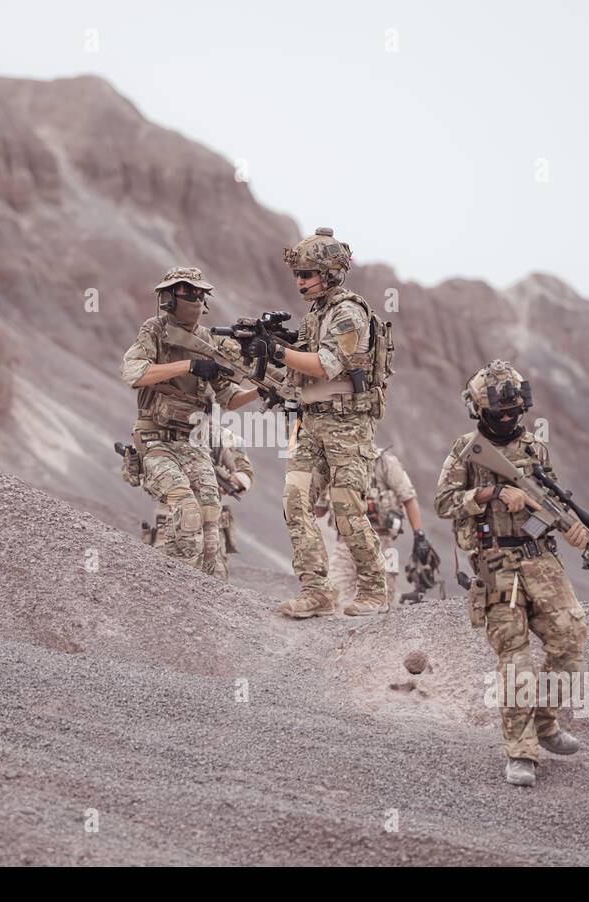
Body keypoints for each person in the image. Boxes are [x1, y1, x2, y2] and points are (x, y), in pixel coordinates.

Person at [434, 360, 589, 787]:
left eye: (514, 413)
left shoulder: (536, 450)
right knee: (515, 658)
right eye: (498, 415)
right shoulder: (466, 450)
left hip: (541, 559)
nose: (507, 420)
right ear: (479, 412)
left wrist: (572, 527)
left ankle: (545, 722)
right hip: (495, 564)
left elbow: (552, 500)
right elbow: (444, 503)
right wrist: (493, 492)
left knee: (570, 636)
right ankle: (521, 753)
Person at [258, 228, 387, 618]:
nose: (299, 282)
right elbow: (301, 369)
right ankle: (317, 590)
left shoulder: (348, 313)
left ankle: (374, 588)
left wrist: (278, 351)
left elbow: (326, 365)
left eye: (307, 274)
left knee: (347, 507)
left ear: (331, 274)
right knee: (295, 501)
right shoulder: (318, 313)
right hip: (312, 424)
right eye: (297, 274)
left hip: (348, 428)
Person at [119, 267, 256, 575]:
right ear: (167, 298)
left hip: (192, 443)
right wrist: (190, 366)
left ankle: (210, 598)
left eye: (197, 293)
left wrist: (260, 389)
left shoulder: (207, 340)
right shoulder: (154, 330)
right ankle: (164, 585)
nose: (193, 299)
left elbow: (230, 399)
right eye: (185, 292)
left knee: (211, 519)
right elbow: (135, 373)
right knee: (186, 511)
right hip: (156, 440)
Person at [317, 446, 432, 605]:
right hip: (345, 544)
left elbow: (408, 497)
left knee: (380, 602)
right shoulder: (332, 464)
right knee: (335, 596)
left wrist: (419, 535)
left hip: (381, 542)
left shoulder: (383, 462)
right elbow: (319, 511)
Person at [145, 416, 254, 580]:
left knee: (212, 582)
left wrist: (232, 481)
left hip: (211, 523)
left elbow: (245, 474)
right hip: (173, 519)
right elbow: (143, 473)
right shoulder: (165, 432)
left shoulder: (225, 438)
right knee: (164, 577)